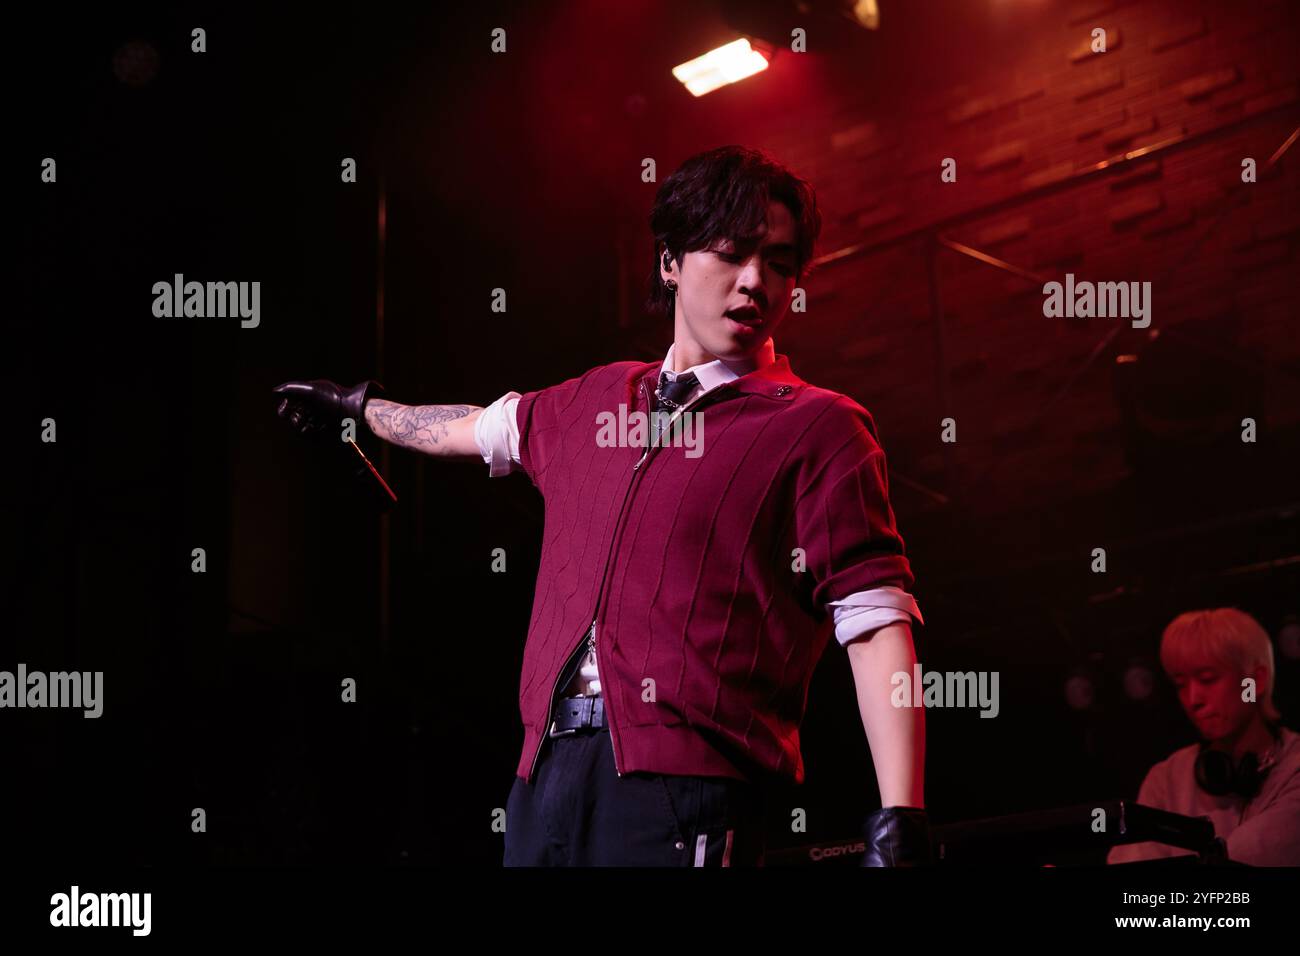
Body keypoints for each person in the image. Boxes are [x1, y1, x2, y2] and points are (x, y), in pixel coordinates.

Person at [273, 145, 930, 866]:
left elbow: (872, 620)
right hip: (545, 776)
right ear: (671, 261)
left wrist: (901, 810)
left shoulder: (819, 426)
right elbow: (468, 427)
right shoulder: (593, 401)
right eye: (732, 252)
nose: (755, 282)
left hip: (691, 786)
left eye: (778, 262)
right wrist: (357, 409)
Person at [1108, 608, 1300, 865]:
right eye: (1181, 685)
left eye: (1207, 679)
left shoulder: (1295, 766)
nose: (1192, 699)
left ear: (1255, 682)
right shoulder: (1165, 779)